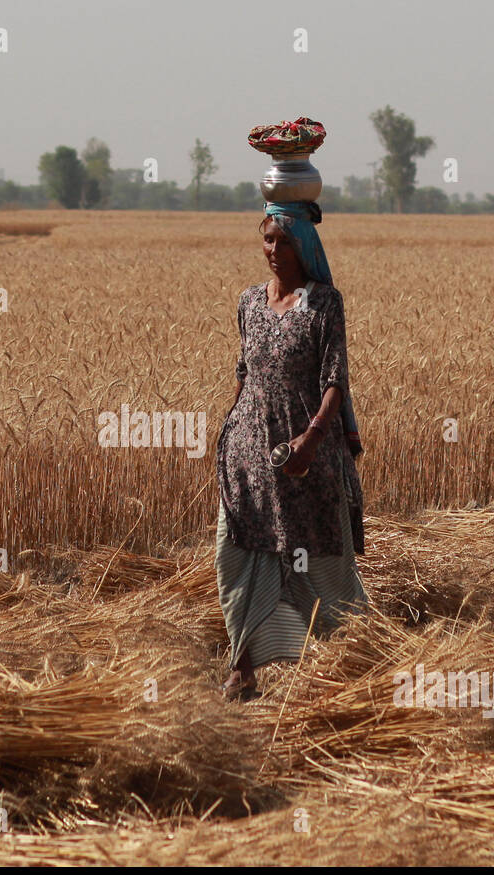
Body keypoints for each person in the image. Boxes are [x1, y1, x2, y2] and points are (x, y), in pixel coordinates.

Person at [216, 199, 370, 701]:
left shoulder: (324, 304)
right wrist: (227, 431)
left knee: (322, 563)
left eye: (284, 241)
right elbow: (244, 374)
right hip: (248, 454)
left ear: (305, 245)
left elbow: (333, 380)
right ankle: (241, 668)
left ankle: (357, 656)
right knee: (236, 553)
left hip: (306, 458)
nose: (274, 250)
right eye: (267, 239)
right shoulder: (248, 302)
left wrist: (312, 439)